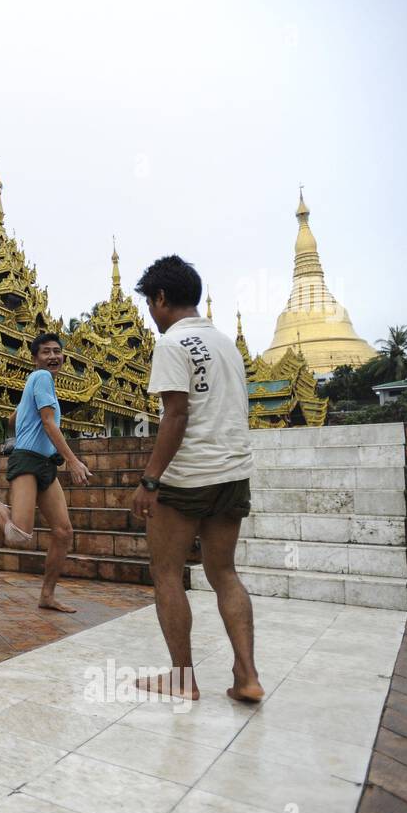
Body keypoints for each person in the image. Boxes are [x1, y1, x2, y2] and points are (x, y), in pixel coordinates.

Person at [128, 254, 262, 702]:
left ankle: (183, 679)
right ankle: (247, 675)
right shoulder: (227, 343)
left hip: (186, 478)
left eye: (150, 302)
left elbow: (176, 415)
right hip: (232, 473)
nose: (150, 313)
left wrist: (149, 480)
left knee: (166, 572)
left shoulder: (170, 345)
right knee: (224, 573)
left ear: (161, 298)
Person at [0, 333, 91, 612]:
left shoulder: (41, 385)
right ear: (35, 358)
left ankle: (47, 595)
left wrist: (24, 418)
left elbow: (14, 418)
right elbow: (47, 423)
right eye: (45, 352)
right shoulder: (42, 377)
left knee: (63, 531)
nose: (53, 356)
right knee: (18, 535)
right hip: (28, 461)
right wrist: (72, 460)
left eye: (57, 351)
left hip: (45, 464)